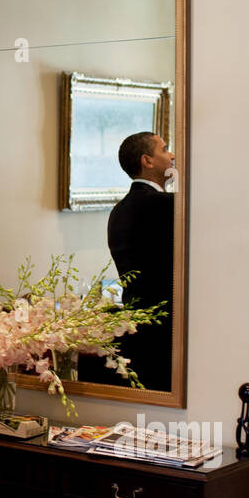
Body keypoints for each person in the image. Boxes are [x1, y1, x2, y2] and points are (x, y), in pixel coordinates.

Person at [81, 131, 174, 390]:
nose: (173, 155)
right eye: (165, 149)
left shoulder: (119, 210)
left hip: (136, 324)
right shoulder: (165, 207)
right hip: (168, 329)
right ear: (148, 161)